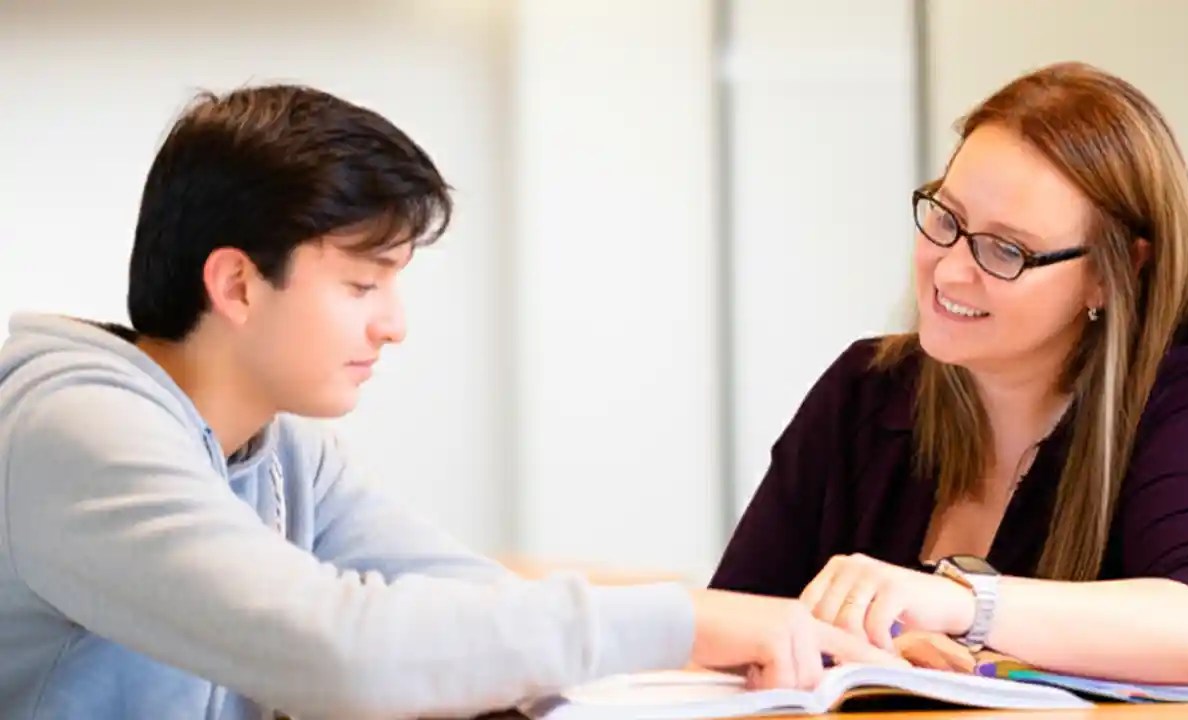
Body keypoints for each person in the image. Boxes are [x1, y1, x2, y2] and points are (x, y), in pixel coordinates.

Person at [0, 85, 896, 720]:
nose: (393, 325)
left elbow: (463, 601)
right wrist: (693, 617)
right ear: (236, 283)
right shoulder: (78, 428)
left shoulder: (272, 447)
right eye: (362, 284)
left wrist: (747, 631)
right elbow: (338, 652)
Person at [710, 62, 1188, 687]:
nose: (951, 272)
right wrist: (851, 648)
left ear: (1114, 275)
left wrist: (965, 607)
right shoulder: (867, 389)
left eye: (1007, 250)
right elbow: (735, 619)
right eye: (946, 218)